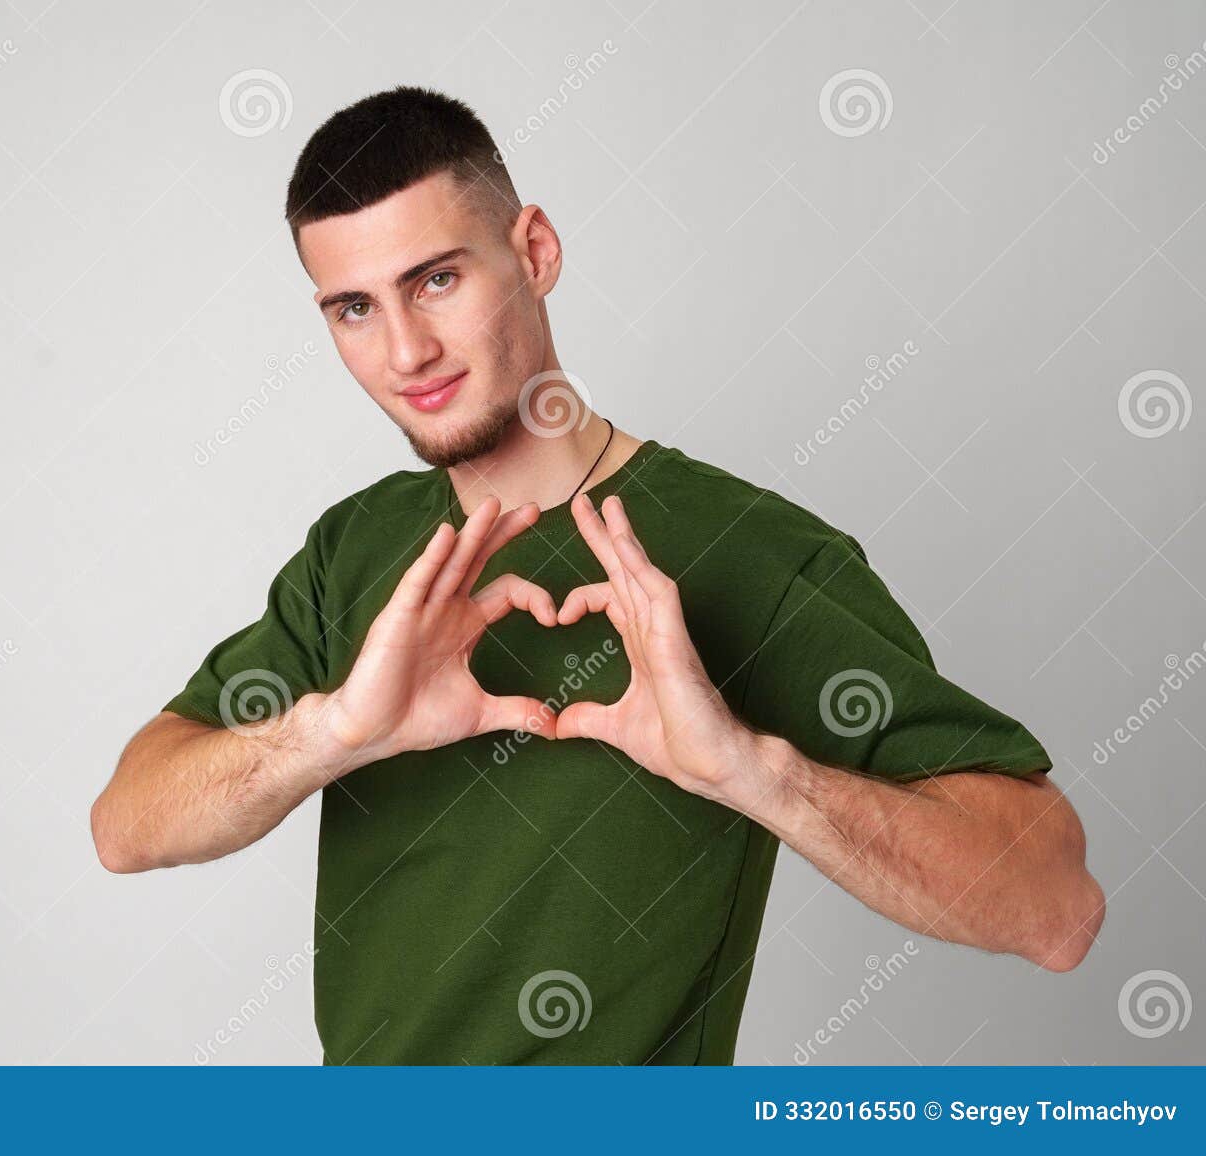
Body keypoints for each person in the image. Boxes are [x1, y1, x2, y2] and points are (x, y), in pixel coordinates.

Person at [90, 86, 1104, 1064]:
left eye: (438, 278)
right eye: (354, 307)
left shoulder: (749, 552)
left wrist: (750, 770)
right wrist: (335, 730)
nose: (405, 350)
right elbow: (128, 825)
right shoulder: (351, 551)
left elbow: (1054, 907)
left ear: (534, 252)